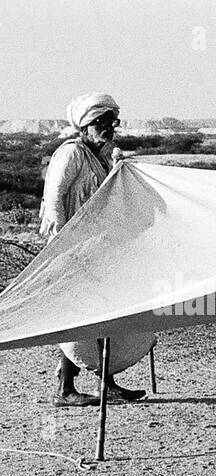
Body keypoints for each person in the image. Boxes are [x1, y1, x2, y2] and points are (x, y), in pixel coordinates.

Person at [41, 93, 150, 407]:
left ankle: (107, 382)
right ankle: (65, 387)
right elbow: (55, 198)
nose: (107, 128)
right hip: (72, 249)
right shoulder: (71, 154)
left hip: (98, 247)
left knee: (101, 312)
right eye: (100, 122)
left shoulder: (103, 155)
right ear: (85, 125)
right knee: (76, 317)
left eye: (110, 122)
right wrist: (62, 245)